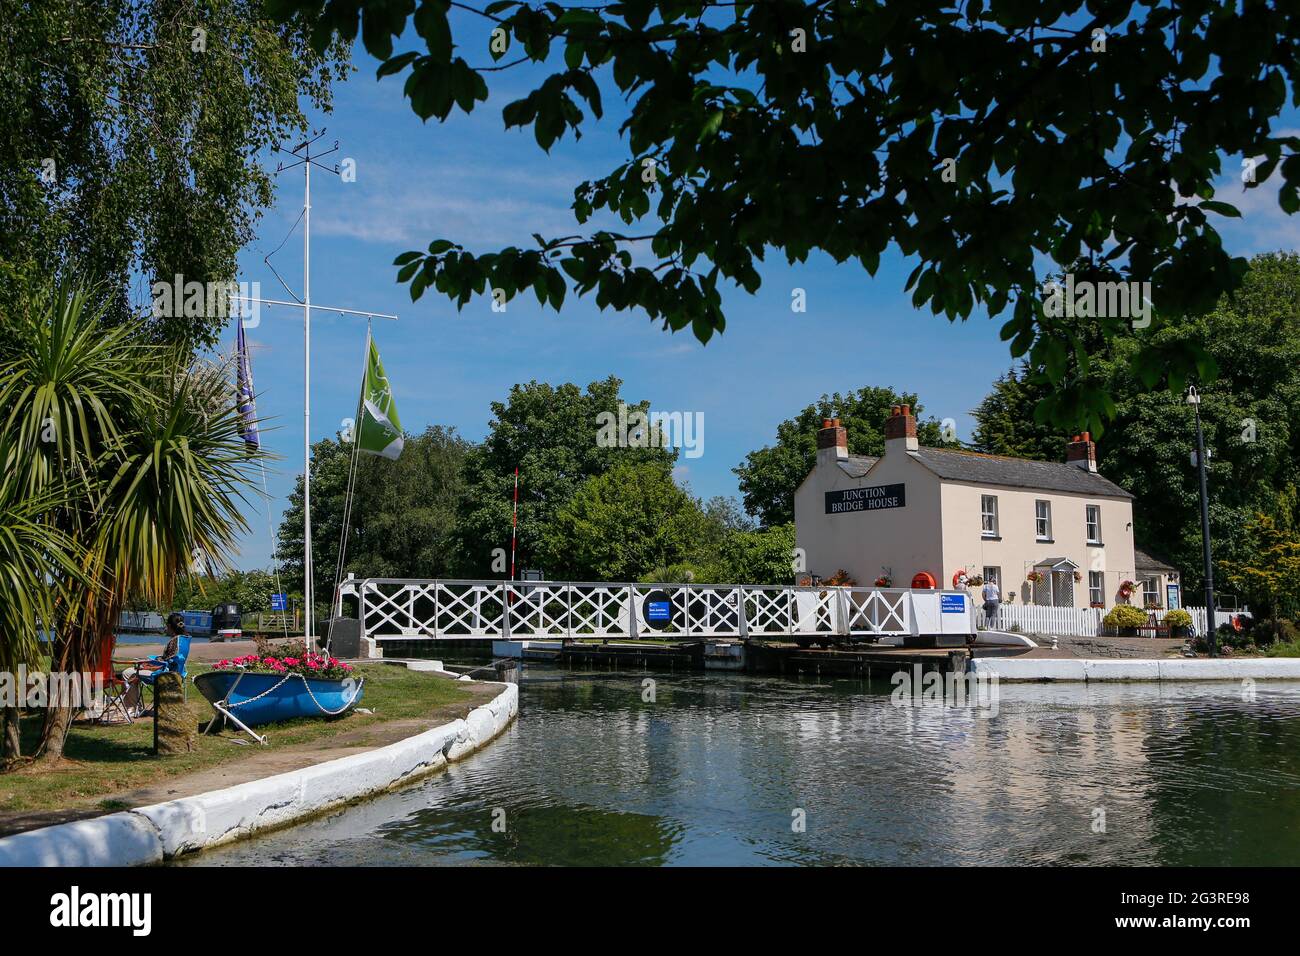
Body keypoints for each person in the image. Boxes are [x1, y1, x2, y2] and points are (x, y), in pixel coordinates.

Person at [122, 612, 185, 714]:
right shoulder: (183, 640)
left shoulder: (173, 641)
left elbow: (166, 663)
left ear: (169, 626)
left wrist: (149, 666)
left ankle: (132, 708)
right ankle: (136, 706)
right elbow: (171, 660)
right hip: (177, 675)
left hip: (164, 676)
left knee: (128, 673)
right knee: (136, 671)